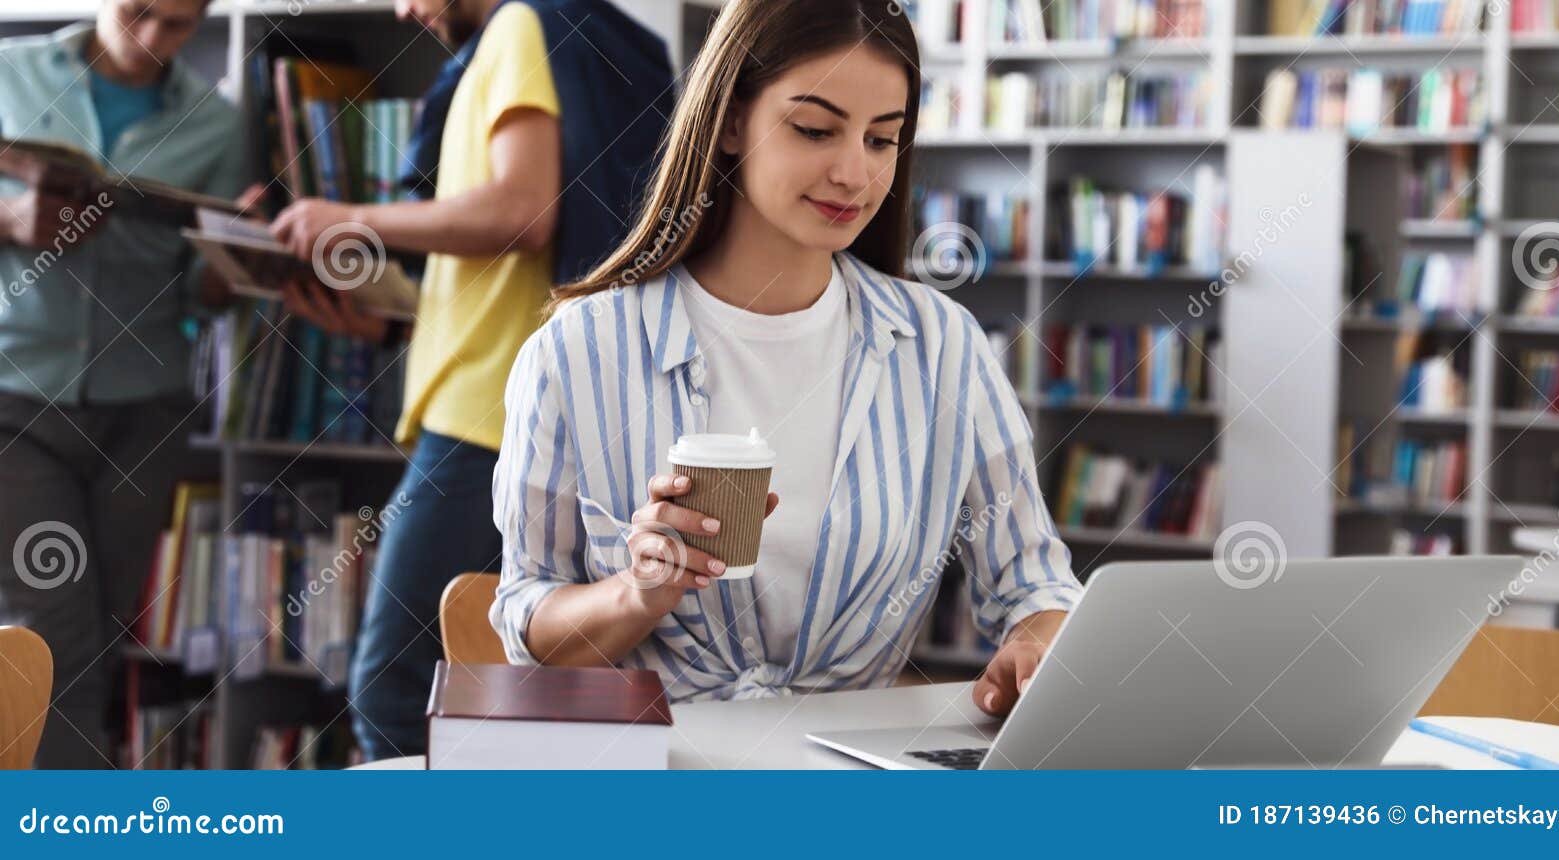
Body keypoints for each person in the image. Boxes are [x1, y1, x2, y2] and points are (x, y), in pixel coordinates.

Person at [491, 0, 1084, 719]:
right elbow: (530, 627)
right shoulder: (577, 352)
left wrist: (1038, 638)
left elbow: (1035, 584)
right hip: (655, 770)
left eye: (882, 140)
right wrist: (636, 590)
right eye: (814, 129)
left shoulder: (943, 348)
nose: (854, 173)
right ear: (732, 121)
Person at [271, 0, 672, 759]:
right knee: (519, 688)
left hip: (485, 419)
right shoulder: (532, 37)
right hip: (507, 409)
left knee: (393, 678)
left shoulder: (521, 24)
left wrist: (349, 218)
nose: (405, 10)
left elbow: (523, 211)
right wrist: (390, 322)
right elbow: (506, 274)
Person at [0, 0, 253, 768]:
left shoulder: (218, 124)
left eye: (177, 24)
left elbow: (201, 296)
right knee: (50, 630)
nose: (151, 38)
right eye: (140, 12)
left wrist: (239, 257)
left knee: (106, 634)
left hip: (143, 409)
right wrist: (13, 224)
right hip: (16, 397)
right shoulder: (10, 73)